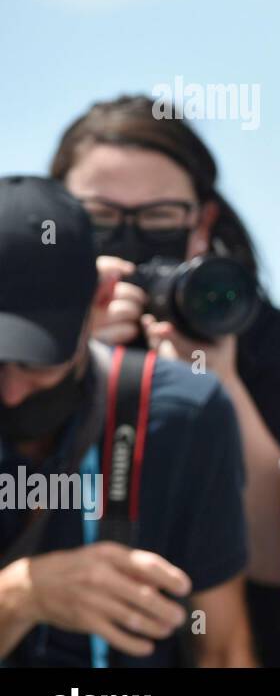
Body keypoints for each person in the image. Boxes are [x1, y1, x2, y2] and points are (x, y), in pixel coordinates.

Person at [49, 95, 280, 667]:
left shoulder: (259, 337)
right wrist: (69, 357)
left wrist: (219, 379)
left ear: (201, 223)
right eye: (100, 218)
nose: (129, 239)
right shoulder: (25, 337)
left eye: (158, 218)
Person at [0, 176, 253, 667]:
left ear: (101, 298)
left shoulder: (182, 416)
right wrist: (23, 595)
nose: (11, 392)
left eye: (37, 361)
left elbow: (222, 651)